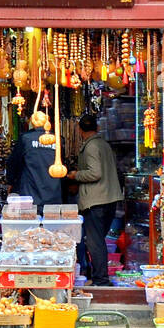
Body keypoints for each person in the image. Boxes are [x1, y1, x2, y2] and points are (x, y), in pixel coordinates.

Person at [68, 113, 123, 287]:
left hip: (96, 201)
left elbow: (95, 173)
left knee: (95, 242)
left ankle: (101, 280)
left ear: (79, 130)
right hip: (108, 199)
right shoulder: (103, 144)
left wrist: (76, 175)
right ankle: (99, 276)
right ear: (97, 128)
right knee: (98, 240)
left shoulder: (91, 147)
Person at [6, 110, 62, 214]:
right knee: (51, 228)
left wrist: (11, 182)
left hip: (30, 195)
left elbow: (13, 162)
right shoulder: (58, 139)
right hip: (53, 195)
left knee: (30, 228)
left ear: (32, 122)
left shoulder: (26, 139)